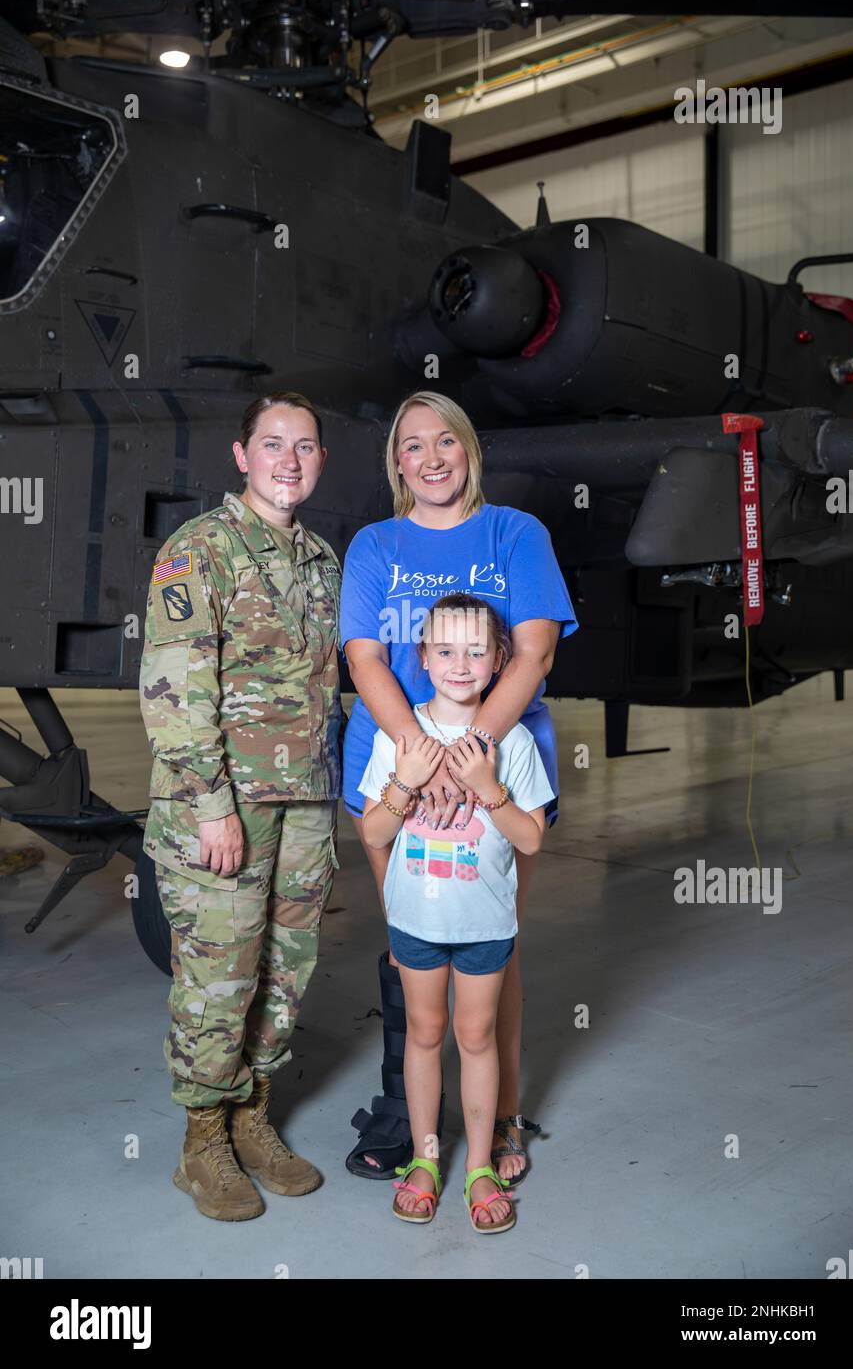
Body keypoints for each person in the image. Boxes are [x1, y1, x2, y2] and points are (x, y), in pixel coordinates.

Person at [341, 389, 578, 1184]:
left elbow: (536, 653)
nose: (432, 458)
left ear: (469, 450)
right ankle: (411, 1122)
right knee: (412, 935)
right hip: (397, 764)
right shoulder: (374, 544)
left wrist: (469, 754)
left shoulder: (517, 533)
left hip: (498, 761)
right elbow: (366, 660)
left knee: (491, 949)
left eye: (446, 441)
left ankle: (500, 1120)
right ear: (396, 461)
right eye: (413, 445)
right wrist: (419, 753)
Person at [139, 391, 341, 1222]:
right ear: (241, 455)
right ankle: (203, 1144)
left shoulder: (323, 559)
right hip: (222, 805)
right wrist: (212, 804)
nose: (288, 459)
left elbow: (337, 684)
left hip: (307, 803)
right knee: (218, 978)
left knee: (283, 973)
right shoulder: (201, 551)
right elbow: (176, 690)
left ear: (321, 460)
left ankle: (254, 1116)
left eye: (304, 446)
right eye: (272, 443)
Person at [360, 594, 554, 1232]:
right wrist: (407, 778)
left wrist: (488, 788)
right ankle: (425, 1158)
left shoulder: (513, 742)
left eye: (477, 651)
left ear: (500, 661)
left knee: (476, 1038)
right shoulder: (402, 740)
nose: (461, 664)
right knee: (423, 1035)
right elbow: (377, 831)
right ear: (423, 658)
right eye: (445, 650)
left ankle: (478, 1166)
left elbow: (529, 839)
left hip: (485, 928)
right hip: (416, 924)